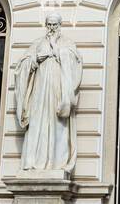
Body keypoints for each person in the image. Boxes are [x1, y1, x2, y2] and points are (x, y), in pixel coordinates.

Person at [11, 11, 83, 171]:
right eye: (49, 24)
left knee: (58, 126)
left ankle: (57, 162)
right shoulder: (37, 43)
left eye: (54, 25)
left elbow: (76, 63)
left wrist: (58, 51)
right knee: (37, 124)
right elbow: (21, 66)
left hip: (58, 92)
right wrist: (35, 59)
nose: (51, 28)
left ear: (60, 25)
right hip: (39, 92)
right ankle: (33, 161)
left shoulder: (67, 43)